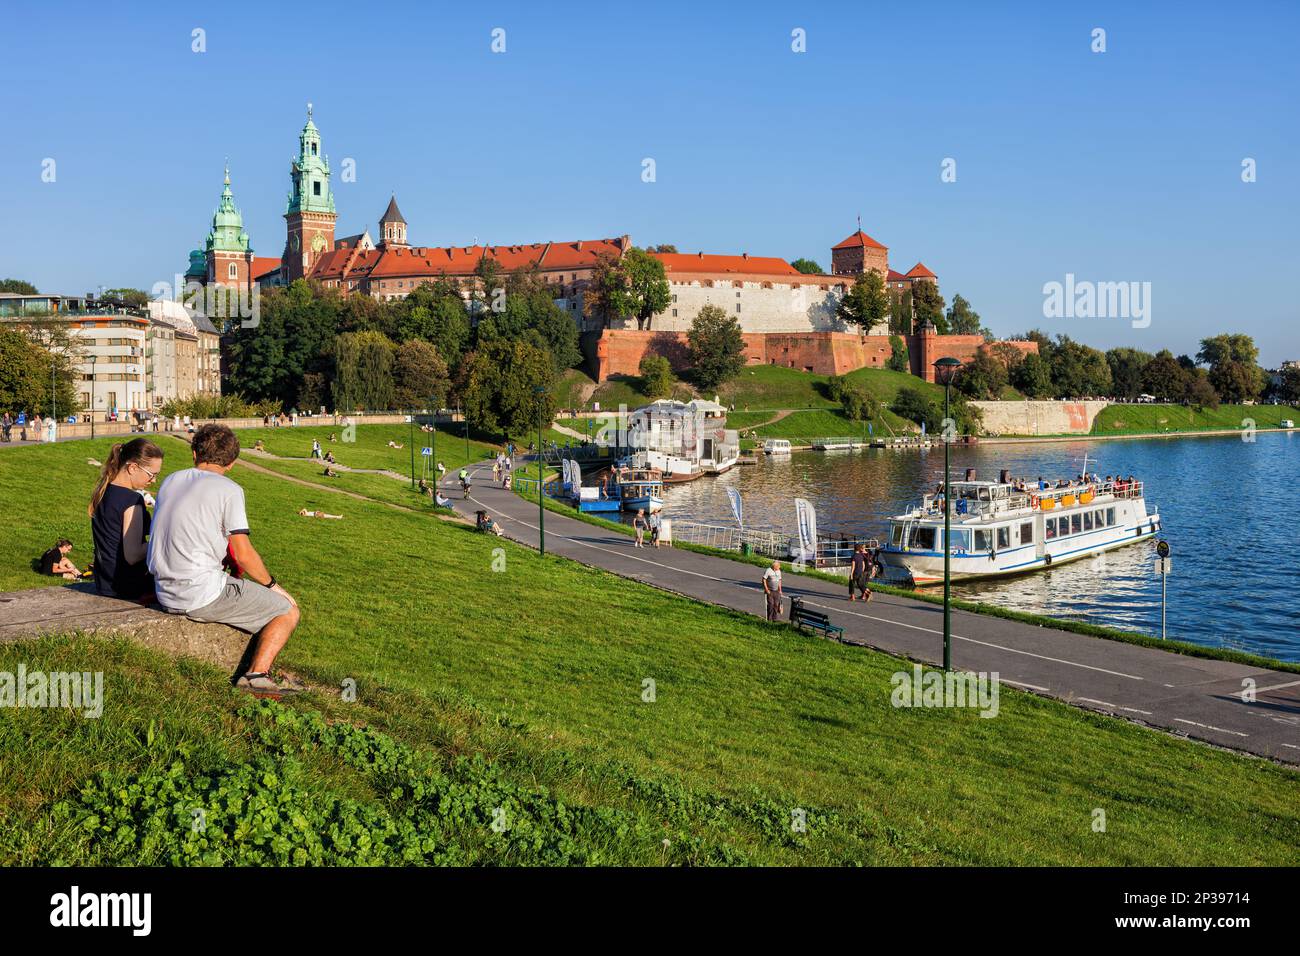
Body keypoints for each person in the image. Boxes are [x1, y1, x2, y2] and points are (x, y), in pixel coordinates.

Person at [148, 423, 301, 696]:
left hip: (163, 589)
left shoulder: (171, 480)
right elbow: (243, 553)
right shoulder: (229, 489)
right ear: (232, 462)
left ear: (194, 453)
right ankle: (256, 676)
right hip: (198, 592)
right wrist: (272, 585)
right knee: (287, 611)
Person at [88, 437, 164, 601]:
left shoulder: (103, 491)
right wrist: (164, 540)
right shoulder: (131, 500)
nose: (154, 480)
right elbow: (133, 554)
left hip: (105, 582)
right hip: (128, 585)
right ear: (133, 467)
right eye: (152, 475)